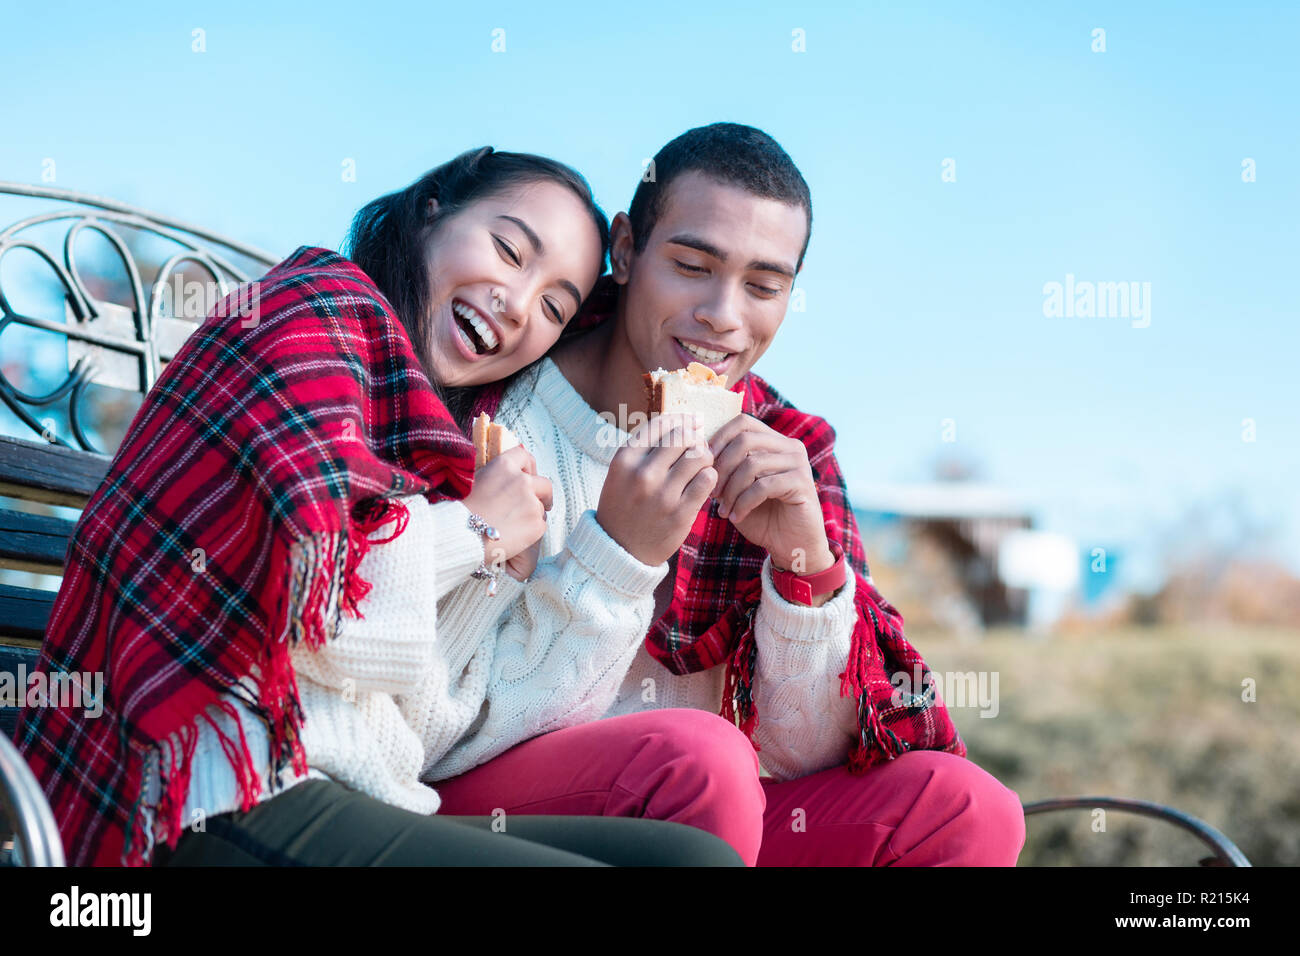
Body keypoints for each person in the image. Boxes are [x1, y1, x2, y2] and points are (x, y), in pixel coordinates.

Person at [10, 146, 742, 868]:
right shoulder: (310, 314)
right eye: (509, 250)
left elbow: (424, 729)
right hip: (213, 786)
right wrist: (474, 531)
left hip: (358, 790)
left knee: (691, 859)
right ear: (432, 209)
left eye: (554, 305)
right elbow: (309, 603)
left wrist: (562, 566)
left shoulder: (428, 443)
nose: (517, 305)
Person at [422, 124, 1028, 867]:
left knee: (967, 811)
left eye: (764, 286)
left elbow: (806, 756)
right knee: (704, 759)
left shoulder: (786, 447)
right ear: (625, 250)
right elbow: (443, 721)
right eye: (691, 265)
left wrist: (805, 569)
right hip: (486, 811)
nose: (724, 314)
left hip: (713, 810)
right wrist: (616, 554)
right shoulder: (495, 408)